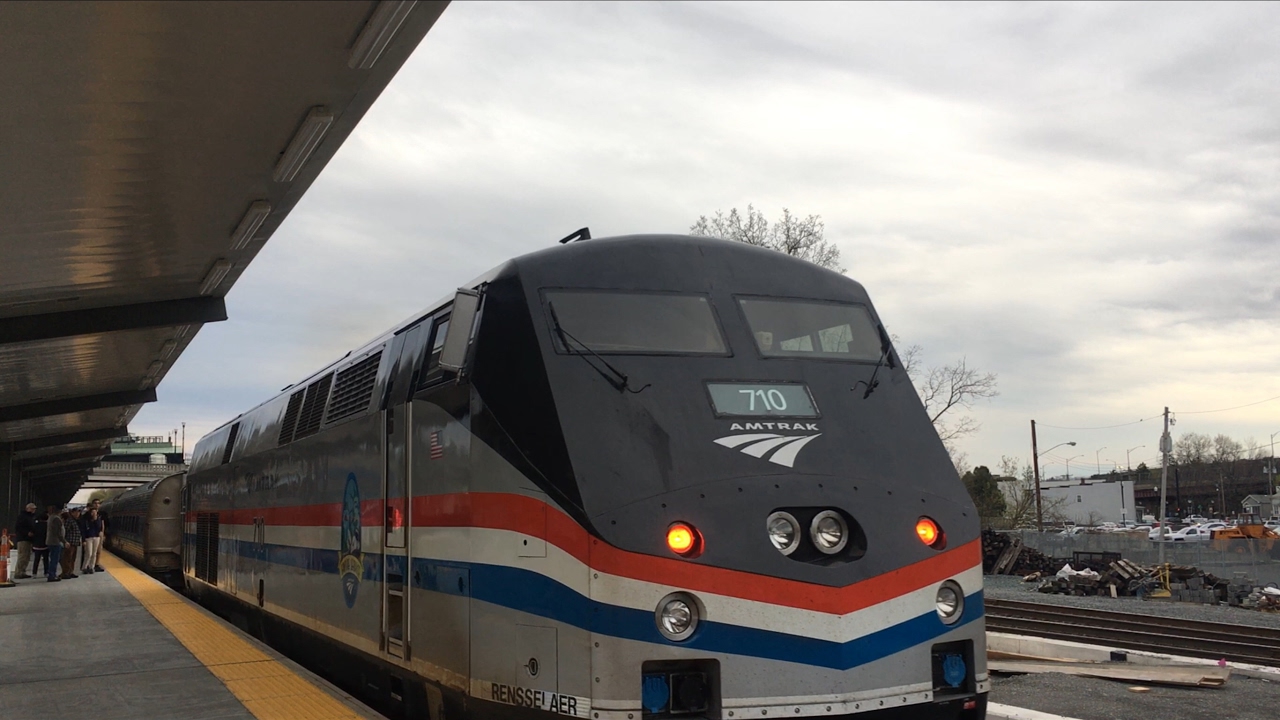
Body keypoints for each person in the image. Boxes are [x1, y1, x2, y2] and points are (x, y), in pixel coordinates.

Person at [13, 503, 37, 579]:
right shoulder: (23, 517)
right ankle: (18, 572)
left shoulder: (31, 517)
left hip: (28, 539)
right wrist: (27, 533)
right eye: (32, 508)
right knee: (22, 556)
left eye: (34, 509)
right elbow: (18, 527)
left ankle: (23, 571)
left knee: (26, 556)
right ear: (27, 509)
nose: (34, 510)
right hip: (23, 539)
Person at [59, 507, 82, 579]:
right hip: (70, 543)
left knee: (72, 559)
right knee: (67, 558)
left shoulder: (76, 521)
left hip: (75, 543)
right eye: (76, 512)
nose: (78, 514)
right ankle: (65, 572)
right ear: (72, 513)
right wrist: (65, 541)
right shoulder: (69, 520)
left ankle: (70, 572)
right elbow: (64, 531)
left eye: (79, 512)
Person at [80, 507, 104, 574]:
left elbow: (99, 528)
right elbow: (83, 530)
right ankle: (84, 567)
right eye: (92, 512)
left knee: (94, 553)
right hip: (88, 538)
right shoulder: (86, 521)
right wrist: (83, 539)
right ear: (90, 513)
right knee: (89, 553)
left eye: (95, 512)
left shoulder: (98, 520)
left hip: (96, 538)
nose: (94, 513)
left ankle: (91, 567)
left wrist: (95, 520)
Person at [45, 507, 64, 582]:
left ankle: (51, 574)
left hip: (50, 541)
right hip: (55, 542)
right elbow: (58, 532)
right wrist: (64, 541)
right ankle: (52, 575)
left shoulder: (50, 517)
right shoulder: (56, 519)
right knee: (54, 559)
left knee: (53, 558)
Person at [30, 508, 50, 578]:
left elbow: (32, 534)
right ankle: (46, 572)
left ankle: (34, 573)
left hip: (37, 544)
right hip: (45, 544)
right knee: (46, 559)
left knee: (36, 559)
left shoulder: (36, 525)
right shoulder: (48, 526)